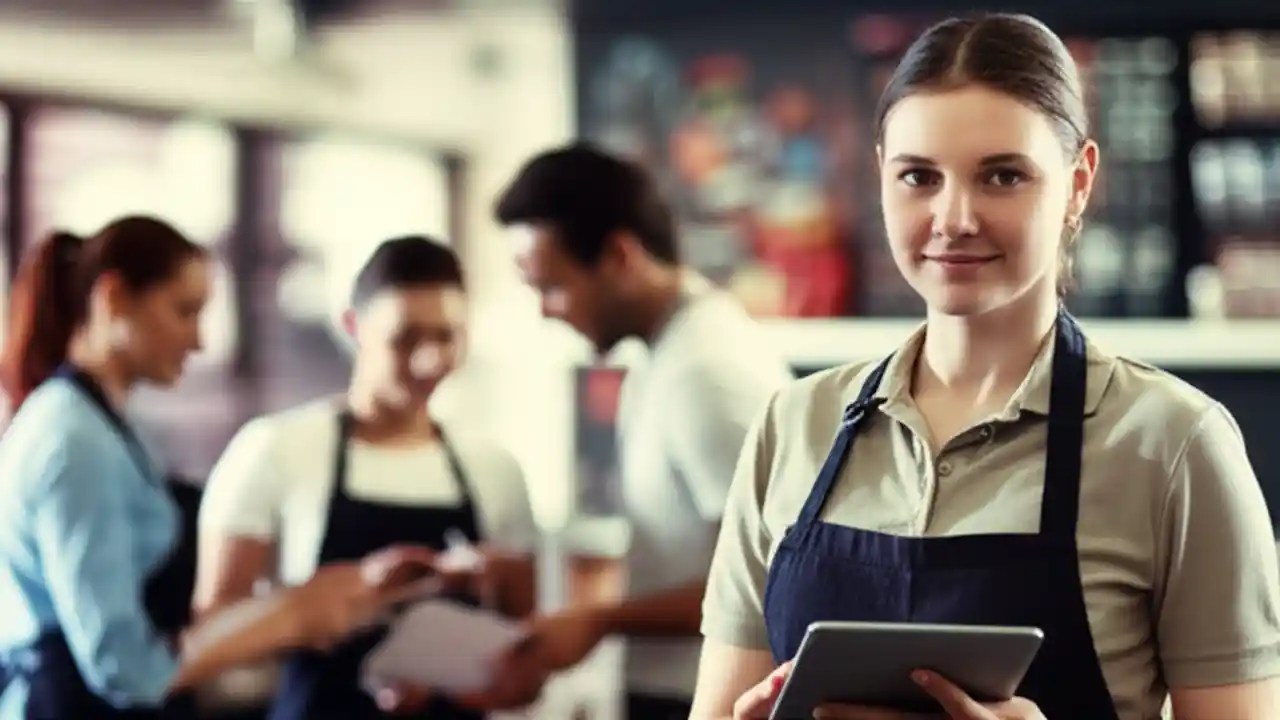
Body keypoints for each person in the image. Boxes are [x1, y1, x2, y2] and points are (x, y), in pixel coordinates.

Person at [688, 13, 1280, 720]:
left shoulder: (1174, 444)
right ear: (881, 176)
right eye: (919, 177)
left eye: (1003, 176)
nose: (954, 217)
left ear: (1079, 183)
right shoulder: (792, 427)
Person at [0, 218, 437, 720]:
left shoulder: (106, 428)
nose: (200, 340)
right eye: (185, 311)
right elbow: (126, 668)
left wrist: (322, 602)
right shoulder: (74, 442)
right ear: (116, 297)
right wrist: (291, 615)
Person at [475, 144, 792, 719]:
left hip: (704, 697)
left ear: (620, 255)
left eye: (552, 286)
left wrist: (601, 620)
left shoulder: (705, 371)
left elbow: (770, 578)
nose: (546, 311)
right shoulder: (663, 352)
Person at [195, 235, 540, 720]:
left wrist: (483, 599)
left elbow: (527, 656)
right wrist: (333, 603)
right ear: (353, 326)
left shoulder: (495, 469)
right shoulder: (275, 449)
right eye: (406, 339)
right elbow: (212, 634)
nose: (429, 360)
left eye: (447, 337)